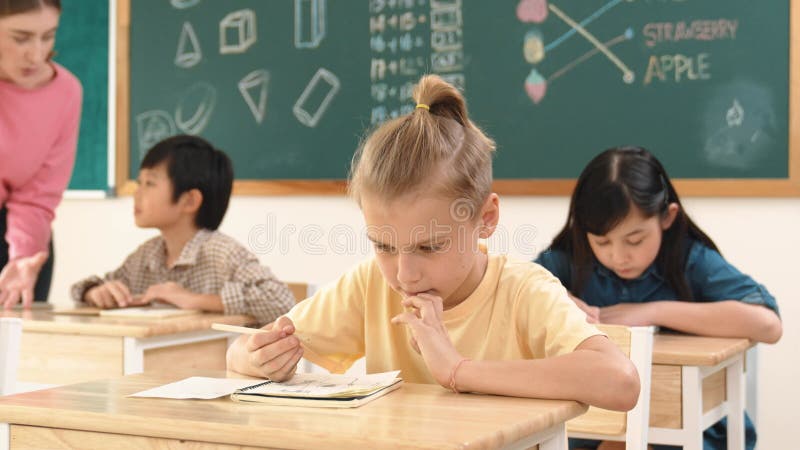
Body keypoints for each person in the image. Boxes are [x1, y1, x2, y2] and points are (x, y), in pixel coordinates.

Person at [226, 74, 640, 411]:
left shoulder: (523, 291)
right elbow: (240, 353)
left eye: (429, 247)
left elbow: (620, 382)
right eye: (384, 246)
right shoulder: (370, 285)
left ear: (486, 219)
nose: (405, 275)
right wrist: (257, 358)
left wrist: (457, 369)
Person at [535, 146, 782, 450]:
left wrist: (652, 312)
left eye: (635, 240)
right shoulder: (571, 259)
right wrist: (560, 302)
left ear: (667, 216)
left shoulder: (691, 261)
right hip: (593, 425)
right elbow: (518, 290)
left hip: (688, 426)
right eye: (602, 242)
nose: (618, 256)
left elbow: (768, 324)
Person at [70, 135, 295, 327]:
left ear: (189, 201)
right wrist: (94, 292)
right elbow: (83, 288)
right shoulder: (148, 254)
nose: (136, 194)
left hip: (218, 363)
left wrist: (192, 299)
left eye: (149, 184)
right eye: (139, 183)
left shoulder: (222, 253)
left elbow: (282, 301)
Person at [0, 0, 82, 308]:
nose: (36, 55)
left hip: (20, 241)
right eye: (20, 38)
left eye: (48, 36)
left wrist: (23, 255)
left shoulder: (66, 91)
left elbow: (39, 193)